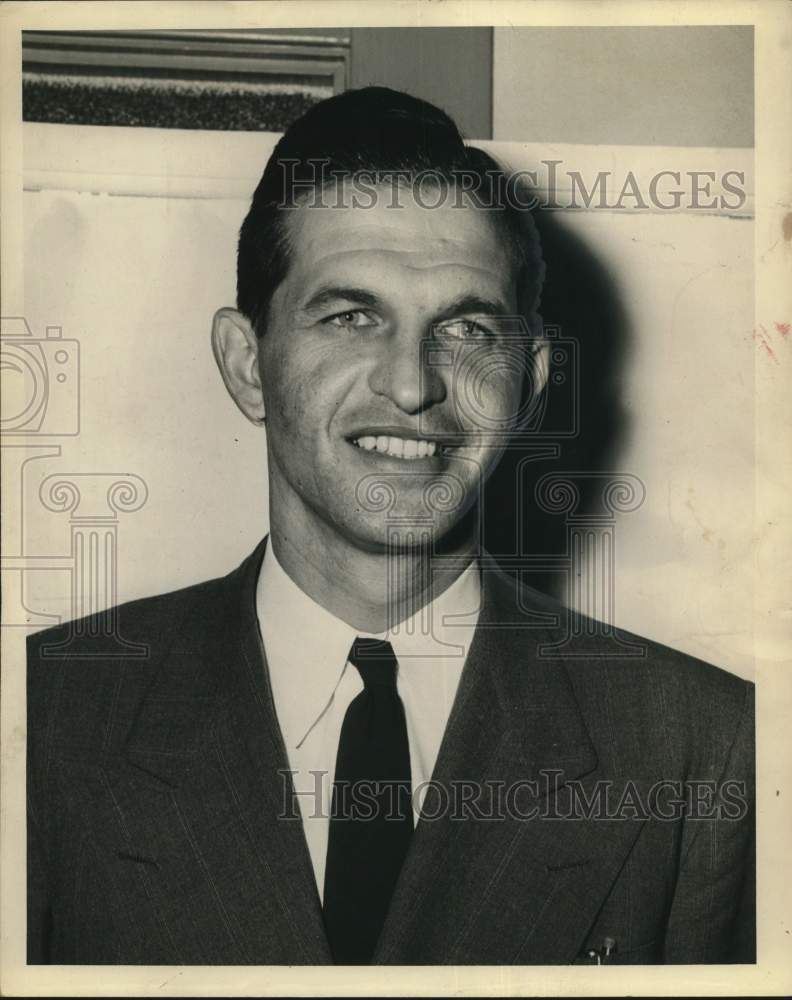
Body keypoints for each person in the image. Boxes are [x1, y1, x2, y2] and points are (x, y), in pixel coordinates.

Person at [27, 87, 754, 966]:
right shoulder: (45, 718)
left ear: (529, 383)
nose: (411, 386)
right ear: (246, 363)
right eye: (350, 317)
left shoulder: (699, 747)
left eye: (468, 328)